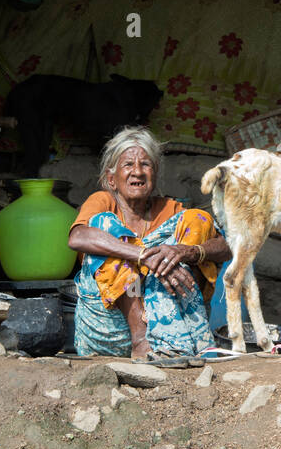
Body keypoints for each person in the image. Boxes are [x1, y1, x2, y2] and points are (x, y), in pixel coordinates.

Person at [68, 126, 232, 360]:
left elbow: (225, 248)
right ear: (111, 179)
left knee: (198, 219)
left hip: (166, 337)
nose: (138, 172)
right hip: (107, 329)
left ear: (154, 176)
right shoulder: (103, 201)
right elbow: (78, 237)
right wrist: (144, 255)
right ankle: (141, 340)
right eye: (128, 165)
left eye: (145, 165)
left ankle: (175, 342)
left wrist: (187, 252)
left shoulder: (168, 210)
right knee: (103, 227)